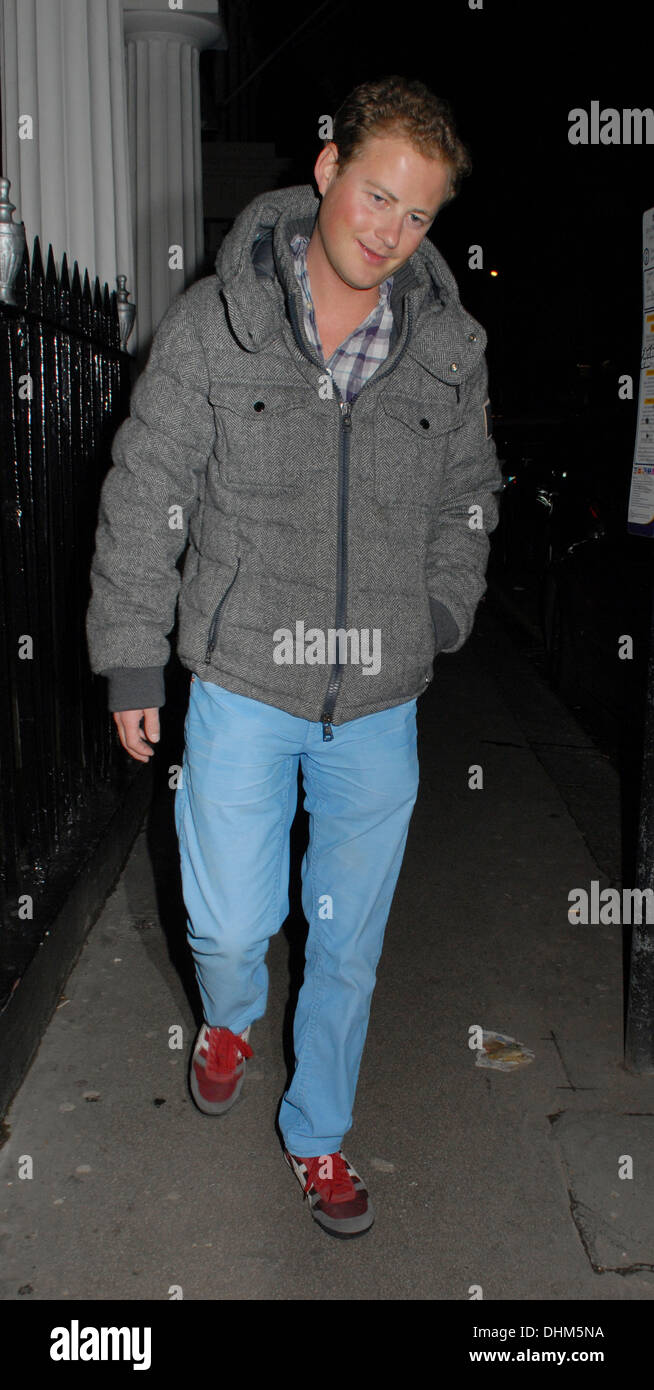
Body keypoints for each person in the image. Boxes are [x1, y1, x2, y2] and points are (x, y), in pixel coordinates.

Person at [86, 74, 503, 1239]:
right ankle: (225, 1015)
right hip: (241, 684)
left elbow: (472, 496)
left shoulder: (450, 350)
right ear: (327, 171)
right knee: (229, 925)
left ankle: (317, 1135)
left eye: (418, 214)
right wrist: (131, 659)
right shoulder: (217, 324)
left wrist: (441, 614)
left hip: (378, 700)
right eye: (377, 195)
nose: (390, 231)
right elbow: (146, 488)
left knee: (348, 946)